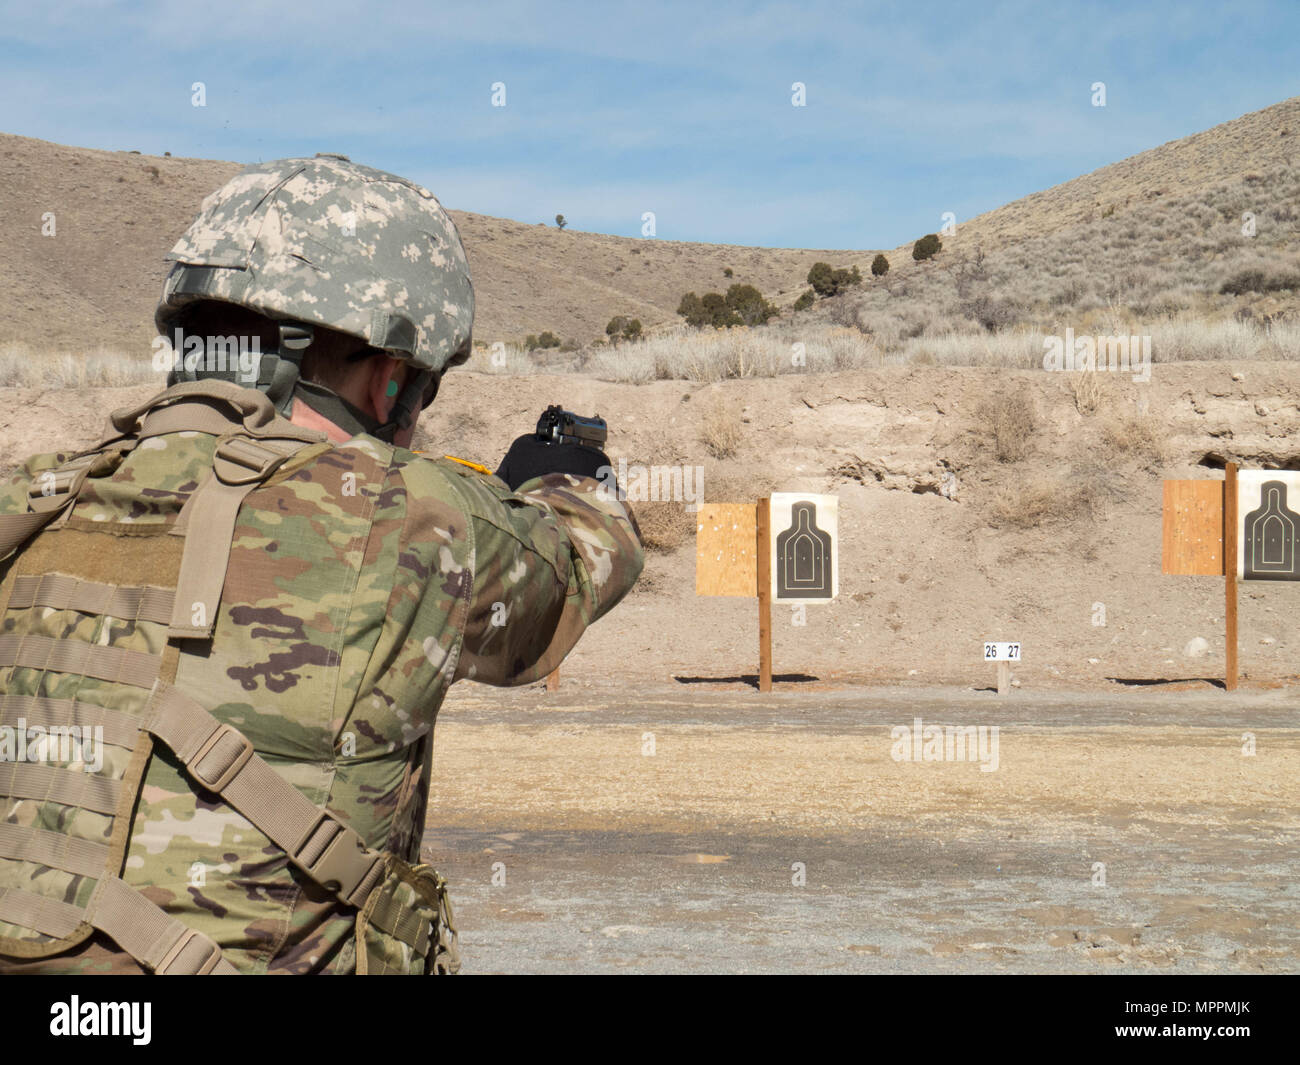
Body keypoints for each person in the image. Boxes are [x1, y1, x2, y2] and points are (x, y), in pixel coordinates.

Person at [0, 154, 643, 974]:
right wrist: (563, 473)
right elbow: (587, 559)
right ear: (390, 383)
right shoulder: (410, 513)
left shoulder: (38, 495)